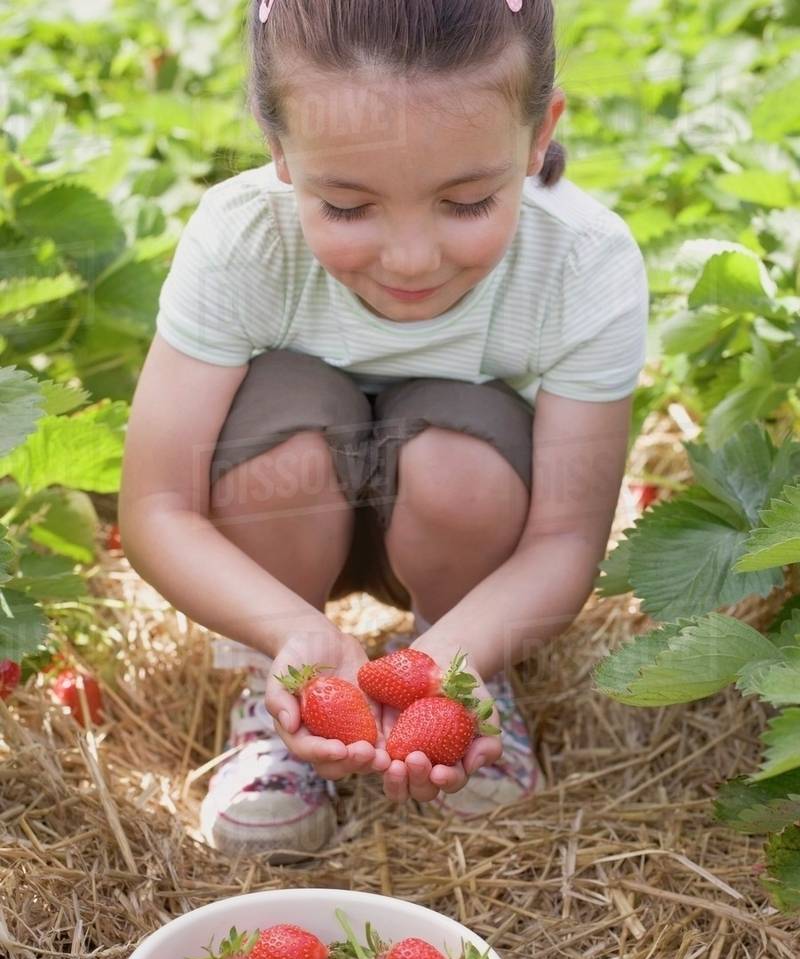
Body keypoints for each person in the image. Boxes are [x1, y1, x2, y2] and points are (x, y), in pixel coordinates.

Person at [119, 0, 649, 863]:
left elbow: (566, 539)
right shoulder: (241, 240)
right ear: (278, 147)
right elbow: (155, 506)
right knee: (281, 456)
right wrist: (292, 636)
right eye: (348, 206)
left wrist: (452, 660)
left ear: (538, 137)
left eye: (468, 202)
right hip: (285, 516)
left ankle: (469, 658)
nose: (410, 258)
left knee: (460, 470)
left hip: (459, 517)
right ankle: (270, 693)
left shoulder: (582, 261)